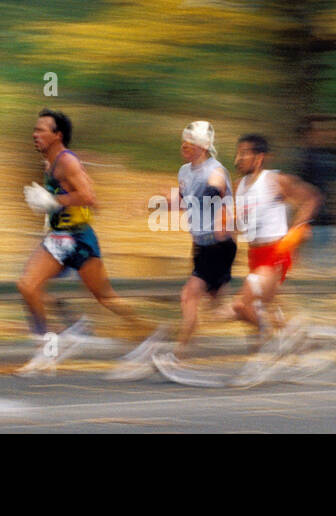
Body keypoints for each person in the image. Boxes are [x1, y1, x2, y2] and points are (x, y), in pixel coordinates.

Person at [15, 108, 145, 376]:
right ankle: (48, 349)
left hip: (79, 238)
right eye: (35, 129)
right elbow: (87, 196)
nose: (35, 134)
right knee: (28, 286)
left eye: (41, 130)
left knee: (105, 297)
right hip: (58, 238)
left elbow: (88, 197)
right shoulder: (50, 163)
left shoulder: (66, 162)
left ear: (57, 135)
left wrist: (53, 201)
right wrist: (49, 207)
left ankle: (147, 335)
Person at [107, 121, 235, 381]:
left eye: (190, 143)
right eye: (183, 142)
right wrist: (148, 205)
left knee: (188, 296)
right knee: (219, 310)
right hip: (201, 245)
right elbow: (182, 201)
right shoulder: (185, 172)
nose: (184, 147)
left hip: (218, 245)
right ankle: (270, 323)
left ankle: (177, 357)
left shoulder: (215, 169)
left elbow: (216, 185)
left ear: (204, 147)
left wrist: (209, 196)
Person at [209, 134, 321, 384]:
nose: (238, 159)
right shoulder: (239, 186)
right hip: (255, 255)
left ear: (259, 158)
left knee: (242, 306)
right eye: (238, 153)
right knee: (263, 312)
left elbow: (312, 198)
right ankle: (298, 347)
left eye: (244, 153)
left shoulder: (276, 180)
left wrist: (298, 229)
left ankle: (271, 348)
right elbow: (238, 222)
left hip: (276, 253)